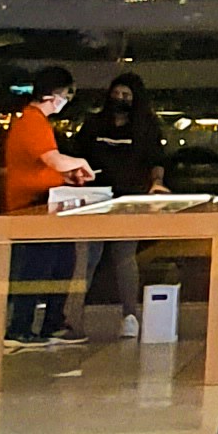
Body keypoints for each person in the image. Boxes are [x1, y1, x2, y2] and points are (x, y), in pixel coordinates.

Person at [0, 68, 97, 346]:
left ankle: (52, 323)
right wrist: (78, 165)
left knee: (60, 264)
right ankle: (20, 328)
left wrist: (65, 175)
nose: (65, 100)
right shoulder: (33, 122)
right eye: (65, 94)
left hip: (43, 203)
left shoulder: (34, 122)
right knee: (37, 268)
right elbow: (53, 160)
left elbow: (44, 165)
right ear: (52, 95)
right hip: (31, 205)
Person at [74, 66, 166, 332]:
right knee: (88, 258)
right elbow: (78, 155)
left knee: (125, 257)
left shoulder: (146, 128)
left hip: (130, 198)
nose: (120, 99)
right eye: (116, 94)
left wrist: (156, 184)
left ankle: (130, 315)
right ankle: (73, 317)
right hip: (95, 197)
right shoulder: (93, 125)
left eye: (126, 95)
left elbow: (156, 160)